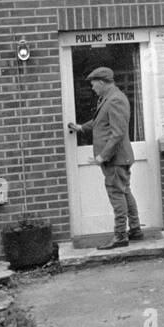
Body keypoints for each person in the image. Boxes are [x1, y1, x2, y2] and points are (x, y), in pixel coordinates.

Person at [66, 66, 141, 249]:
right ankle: (136, 229)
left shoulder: (115, 100)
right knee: (124, 192)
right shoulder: (109, 98)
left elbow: (117, 133)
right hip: (117, 158)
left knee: (117, 195)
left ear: (101, 82)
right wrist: (82, 128)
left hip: (115, 159)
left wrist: (102, 157)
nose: (92, 88)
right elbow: (101, 122)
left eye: (93, 85)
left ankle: (121, 235)